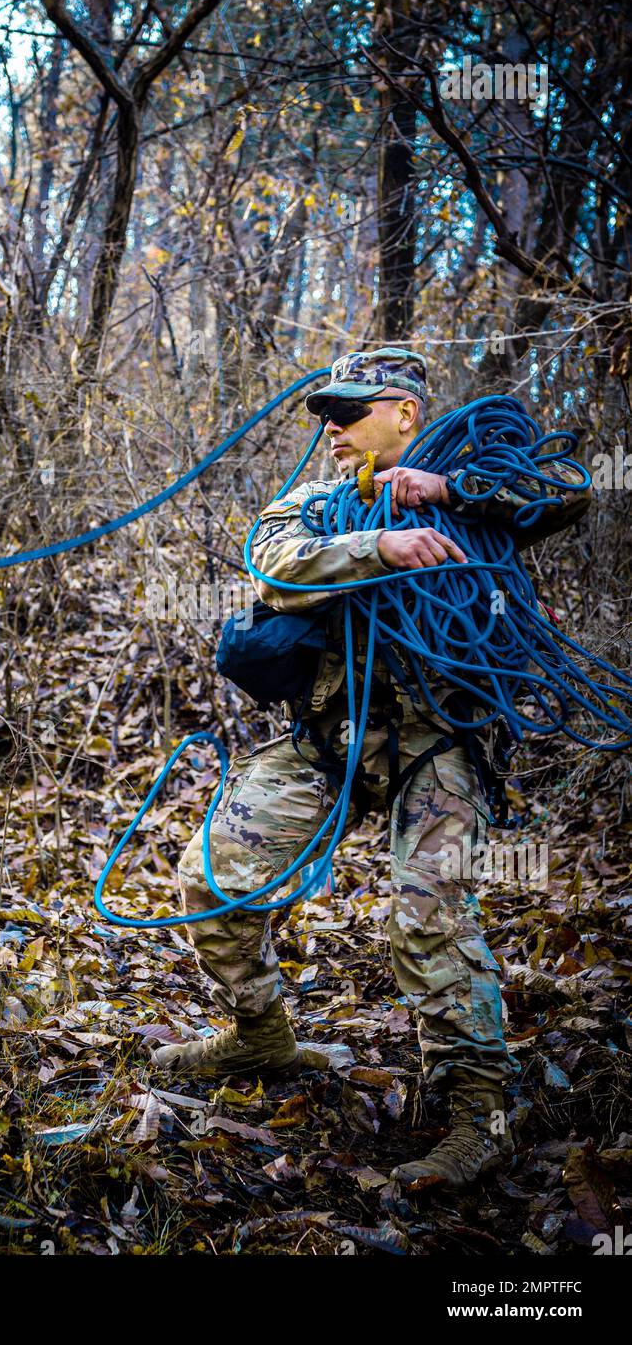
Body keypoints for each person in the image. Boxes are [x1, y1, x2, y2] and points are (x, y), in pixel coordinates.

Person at [151, 347, 591, 1191]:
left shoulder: (479, 489)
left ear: (405, 414)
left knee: (428, 918)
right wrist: (379, 545)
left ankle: (479, 1116)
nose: (332, 432)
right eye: (324, 418)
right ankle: (260, 1035)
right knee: (212, 879)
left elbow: (565, 493)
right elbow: (273, 564)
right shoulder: (315, 504)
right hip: (332, 742)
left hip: (441, 744)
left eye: (349, 415)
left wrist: (449, 493)